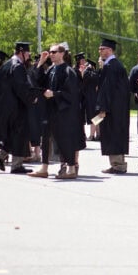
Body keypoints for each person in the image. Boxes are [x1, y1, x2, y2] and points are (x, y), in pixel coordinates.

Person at [29, 43, 81, 179]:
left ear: (62, 53)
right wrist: (40, 63)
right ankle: (44, 167)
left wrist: (55, 94)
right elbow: (38, 82)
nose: (51, 54)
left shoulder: (69, 71)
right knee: (45, 138)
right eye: (50, 52)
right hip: (49, 109)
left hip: (63, 111)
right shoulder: (51, 69)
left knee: (64, 139)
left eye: (54, 52)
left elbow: (71, 94)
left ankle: (70, 169)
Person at [0, 42, 34, 174]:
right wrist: (31, 99)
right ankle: (16, 165)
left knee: (10, 133)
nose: (28, 55)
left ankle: (0, 154)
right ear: (21, 52)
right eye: (27, 52)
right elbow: (21, 88)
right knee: (19, 134)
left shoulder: (6, 65)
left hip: (4, 106)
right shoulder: (18, 67)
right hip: (17, 106)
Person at [95, 38, 130, 174]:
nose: (100, 51)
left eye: (102, 49)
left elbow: (107, 89)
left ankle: (118, 165)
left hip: (112, 108)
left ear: (109, 50)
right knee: (114, 134)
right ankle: (117, 164)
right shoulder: (112, 65)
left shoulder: (112, 66)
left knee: (114, 134)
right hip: (116, 108)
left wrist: (103, 107)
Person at [76, 53, 99, 141]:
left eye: (84, 60)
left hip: (90, 96)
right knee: (81, 117)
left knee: (94, 115)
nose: (83, 62)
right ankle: (83, 135)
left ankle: (93, 135)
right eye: (81, 60)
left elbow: (94, 81)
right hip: (81, 97)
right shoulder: (75, 70)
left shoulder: (90, 71)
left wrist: (84, 72)